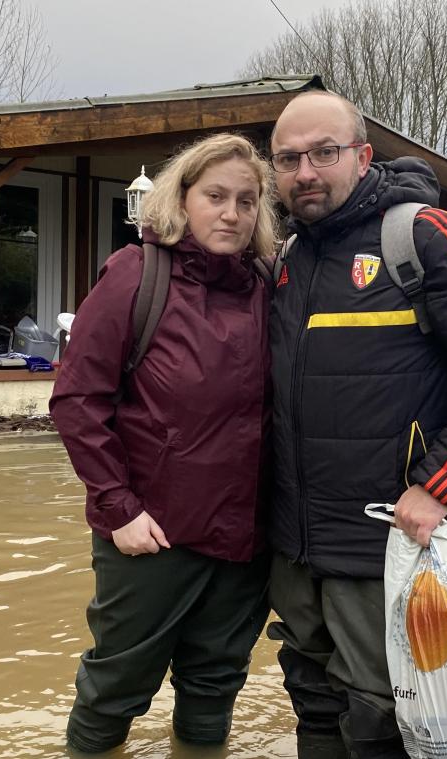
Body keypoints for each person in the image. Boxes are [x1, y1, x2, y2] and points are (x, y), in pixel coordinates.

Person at [265, 91, 447, 757]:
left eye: (323, 153)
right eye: (288, 158)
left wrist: (439, 486)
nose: (305, 171)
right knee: (310, 693)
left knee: (381, 715)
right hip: (295, 548)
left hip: (386, 546)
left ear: (363, 157)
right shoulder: (287, 260)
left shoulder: (422, 236)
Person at [48, 133, 278, 753]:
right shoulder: (135, 276)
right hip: (151, 536)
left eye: (247, 200)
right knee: (114, 685)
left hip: (244, 542)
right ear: (182, 198)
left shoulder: (269, 286)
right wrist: (119, 509)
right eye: (216, 196)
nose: (232, 213)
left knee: (215, 687)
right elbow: (77, 402)